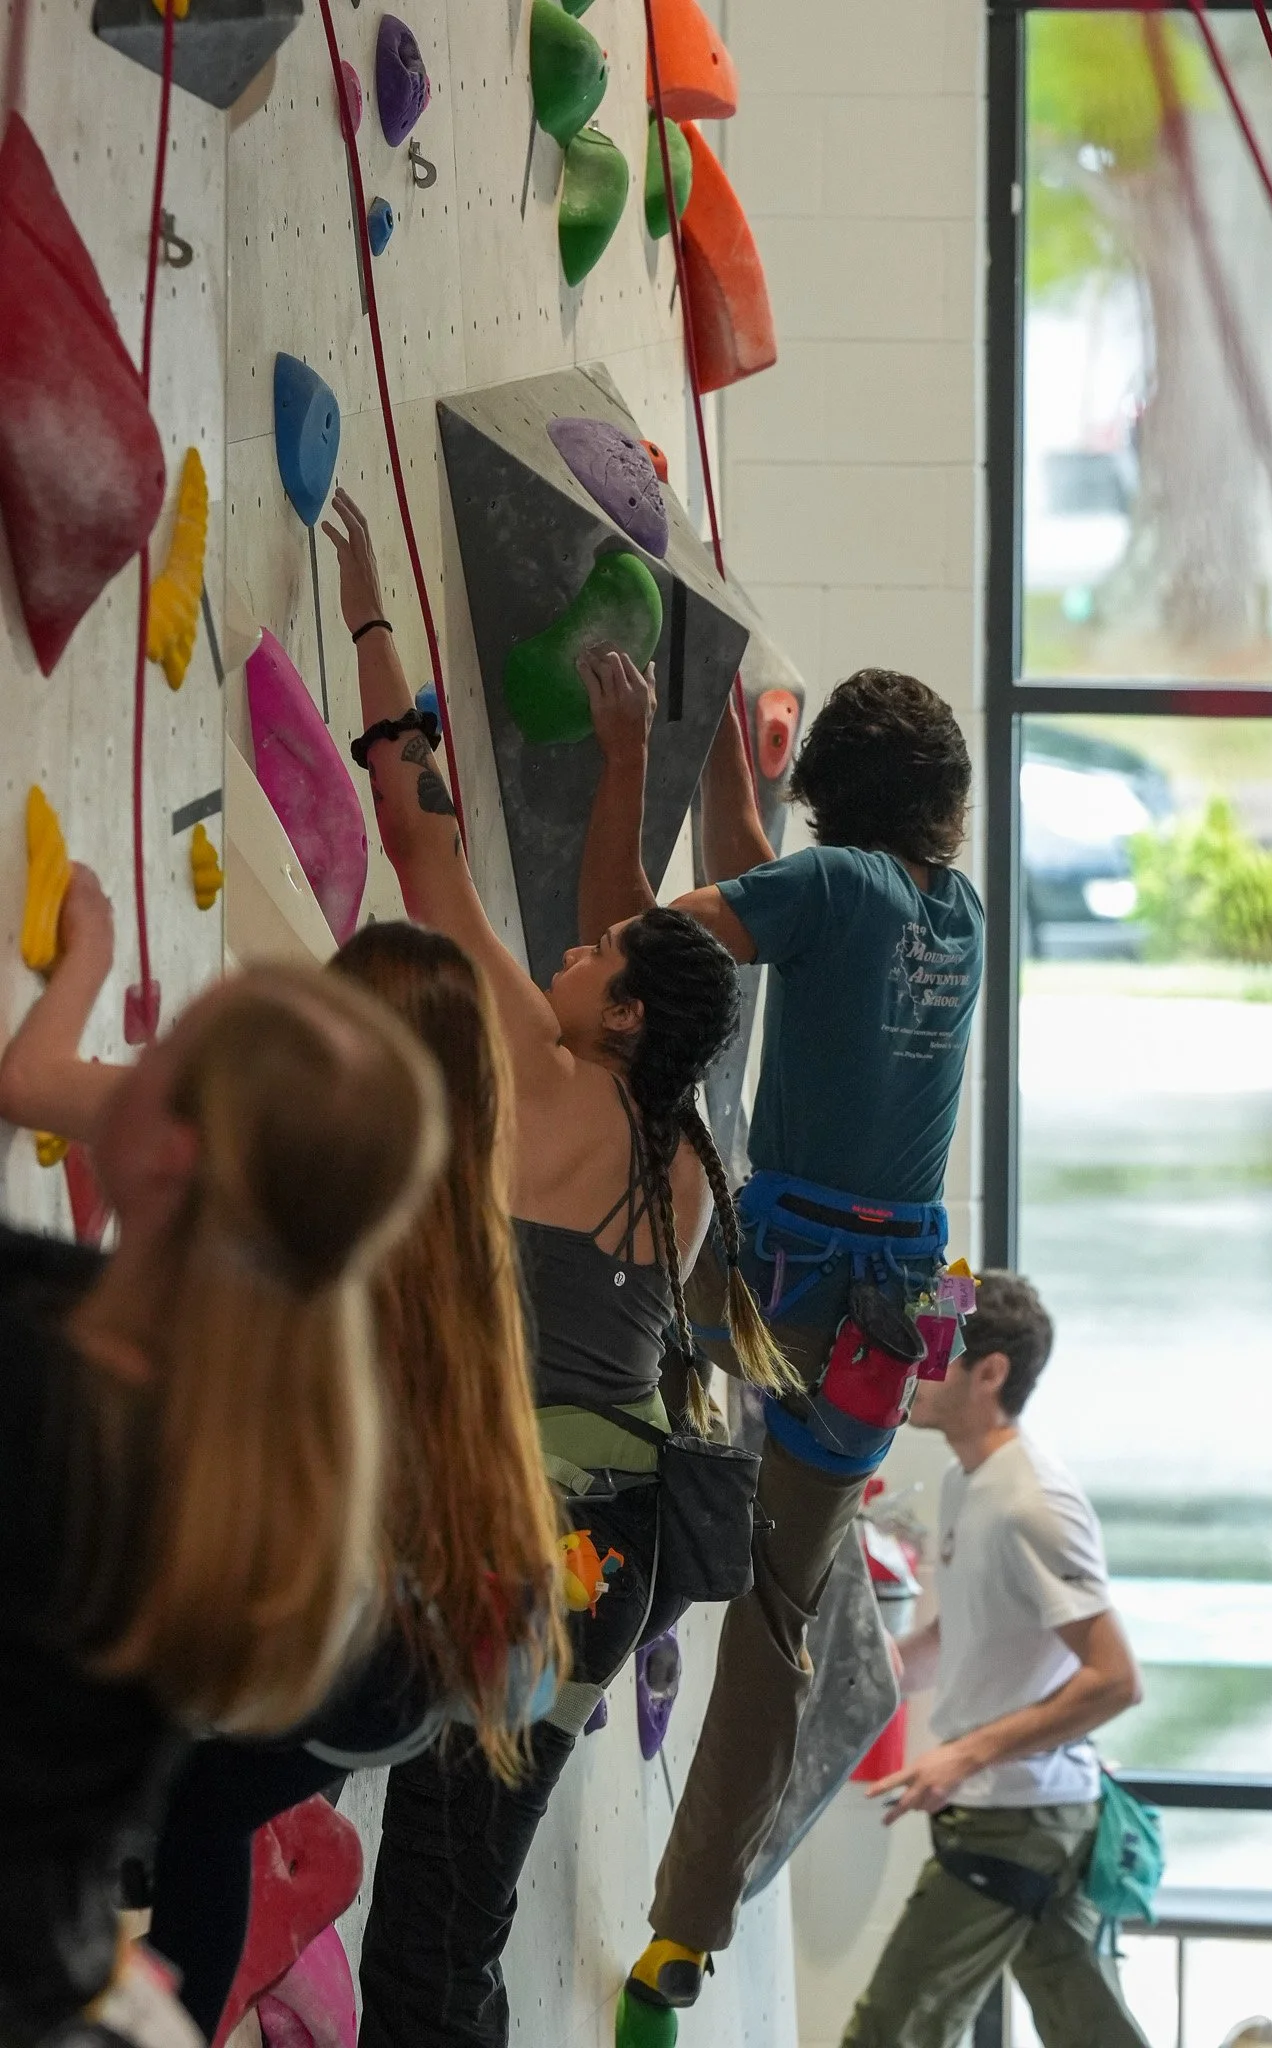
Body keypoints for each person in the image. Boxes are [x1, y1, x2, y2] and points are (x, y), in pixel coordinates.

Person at [317, 489, 792, 2048]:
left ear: (626, 1016)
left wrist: (376, 621)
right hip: (609, 1557)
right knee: (463, 1890)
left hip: (536, 1542)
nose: (567, 956)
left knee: (440, 1907)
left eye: (588, 964)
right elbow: (625, 930)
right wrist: (620, 766)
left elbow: (422, 841)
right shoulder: (683, 1155)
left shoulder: (569, 1074)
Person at [576, 650, 985, 2007]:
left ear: (835, 793)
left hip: (767, 1289)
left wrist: (635, 749)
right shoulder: (951, 915)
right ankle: (683, 1936)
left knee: (599, 1337)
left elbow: (653, 945)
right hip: (889, 1326)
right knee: (776, 1619)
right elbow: (775, 896)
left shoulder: (829, 890)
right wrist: (715, 749)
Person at [0, 871, 446, 2046]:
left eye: (154, 1056)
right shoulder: (226, 1427)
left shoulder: (53, 1403)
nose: (130, 1061)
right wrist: (84, 969)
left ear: (168, 1158)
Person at [139, 924, 569, 2039]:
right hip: (413, 1665)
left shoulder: (358, 1227)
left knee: (191, 1796)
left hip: (378, 1655)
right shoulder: (467, 1240)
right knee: (203, 1805)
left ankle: (171, 1998)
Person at [839, 1271, 1149, 2048]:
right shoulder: (964, 1481)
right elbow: (957, 1639)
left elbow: (1114, 1679)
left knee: (888, 2034)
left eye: (937, 1349)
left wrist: (964, 1752)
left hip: (1014, 1816)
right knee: (1091, 2033)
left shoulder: (1031, 1504)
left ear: (991, 1373)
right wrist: (874, 1664)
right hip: (1020, 1806)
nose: (914, 1362)